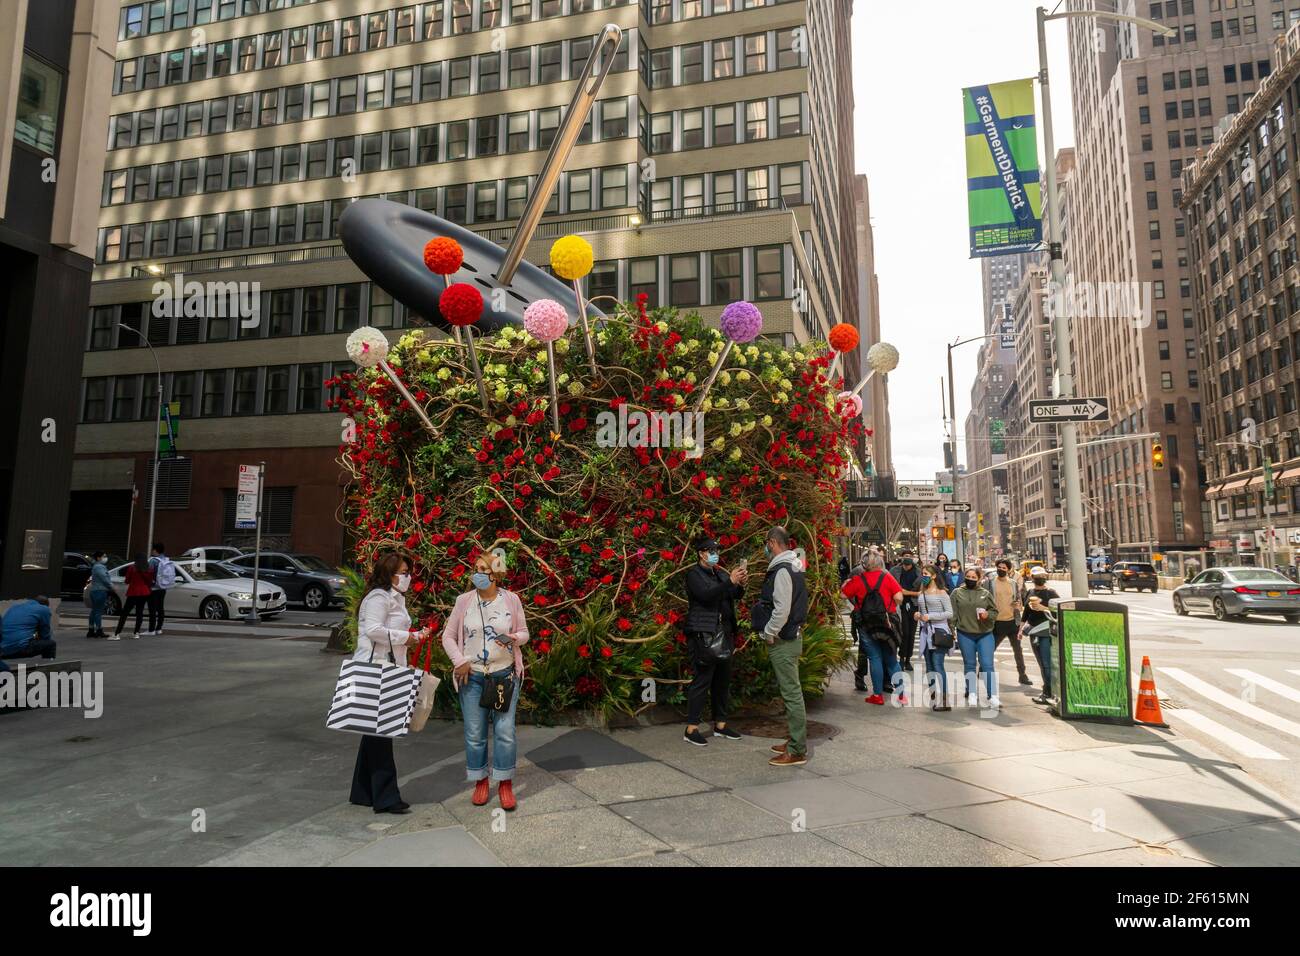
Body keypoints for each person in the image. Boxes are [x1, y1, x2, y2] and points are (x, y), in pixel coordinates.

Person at [442, 550, 530, 810]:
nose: (477, 574)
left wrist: (514, 639)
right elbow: (447, 636)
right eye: (476, 568)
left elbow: (524, 632)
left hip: (504, 674)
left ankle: (504, 783)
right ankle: (480, 781)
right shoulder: (463, 601)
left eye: (483, 569)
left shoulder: (511, 600)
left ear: (496, 574)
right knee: (474, 734)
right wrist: (460, 660)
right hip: (473, 676)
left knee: (505, 733)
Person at [351, 550, 428, 815]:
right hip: (378, 670)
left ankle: (363, 792)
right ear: (389, 573)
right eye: (404, 573)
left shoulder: (394, 598)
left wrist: (415, 636)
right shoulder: (379, 598)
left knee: (373, 732)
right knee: (382, 732)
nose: (408, 577)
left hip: (386, 669)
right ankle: (386, 797)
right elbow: (373, 631)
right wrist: (406, 637)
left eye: (408, 573)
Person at [683, 534, 746, 746]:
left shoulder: (718, 574)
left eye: (716, 551)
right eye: (711, 551)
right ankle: (691, 728)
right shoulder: (694, 575)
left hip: (724, 635)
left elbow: (734, 595)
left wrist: (739, 584)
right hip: (704, 635)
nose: (715, 555)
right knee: (702, 679)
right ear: (701, 554)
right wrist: (729, 582)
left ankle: (720, 724)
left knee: (722, 680)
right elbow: (706, 595)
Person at [756, 526, 810, 767]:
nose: (765, 549)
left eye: (766, 544)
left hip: (783, 640)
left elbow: (781, 609)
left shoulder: (782, 571)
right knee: (791, 691)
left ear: (772, 543)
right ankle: (793, 741)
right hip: (791, 636)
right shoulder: (794, 566)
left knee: (791, 693)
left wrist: (769, 633)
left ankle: (797, 749)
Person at [843, 551, 906, 706]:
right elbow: (899, 597)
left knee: (875, 658)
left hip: (865, 624)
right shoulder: (887, 577)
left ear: (863, 564)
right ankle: (901, 695)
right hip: (886, 623)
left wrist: (846, 584)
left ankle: (877, 695)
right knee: (891, 659)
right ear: (880, 563)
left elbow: (843, 596)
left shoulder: (858, 579)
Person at [951, 565, 1000, 709]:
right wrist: (951, 630)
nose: (970, 579)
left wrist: (987, 615)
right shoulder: (956, 593)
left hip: (985, 634)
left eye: (974, 577)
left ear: (979, 579)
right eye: (968, 577)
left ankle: (993, 696)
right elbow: (953, 614)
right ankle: (972, 692)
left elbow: (994, 612)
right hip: (965, 633)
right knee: (970, 664)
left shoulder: (985, 593)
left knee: (987, 665)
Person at [983, 559, 1031, 686]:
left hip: (1012, 622)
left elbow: (1019, 601)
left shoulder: (1013, 583)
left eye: (1004, 568)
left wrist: (1017, 605)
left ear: (1008, 569)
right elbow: (984, 600)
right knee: (989, 649)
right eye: (999, 567)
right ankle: (983, 670)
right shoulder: (989, 583)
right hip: (996, 622)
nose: (1001, 569)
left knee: (1018, 650)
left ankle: (1022, 675)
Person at [914, 567, 954, 711]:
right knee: (929, 666)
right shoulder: (922, 592)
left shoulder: (942, 593)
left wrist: (930, 617)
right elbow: (922, 610)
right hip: (925, 632)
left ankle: (945, 700)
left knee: (937, 665)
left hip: (939, 632)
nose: (923, 576)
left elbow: (949, 613)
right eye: (922, 573)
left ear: (934, 576)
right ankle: (933, 694)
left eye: (926, 574)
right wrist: (918, 615)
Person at [1023, 567, 1059, 705]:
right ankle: (1047, 690)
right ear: (1032, 577)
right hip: (1033, 631)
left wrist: (1043, 608)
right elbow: (1026, 612)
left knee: (1046, 663)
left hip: (1046, 631)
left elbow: (1059, 610)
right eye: (1037, 576)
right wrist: (1021, 628)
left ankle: (1049, 691)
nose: (1040, 578)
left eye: (1042, 575)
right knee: (1041, 662)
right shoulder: (1030, 592)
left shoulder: (1051, 593)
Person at [890, 554, 922, 672]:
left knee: (911, 633)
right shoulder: (894, 571)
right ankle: (901, 658)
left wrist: (912, 594)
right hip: (899, 604)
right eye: (904, 563)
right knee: (904, 632)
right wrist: (913, 593)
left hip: (914, 605)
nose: (906, 566)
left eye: (908, 564)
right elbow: (897, 589)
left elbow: (923, 588)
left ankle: (908, 659)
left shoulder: (919, 572)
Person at [112, 554, 154, 640]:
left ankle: (117, 633)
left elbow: (127, 581)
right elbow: (150, 581)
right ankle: (136, 633)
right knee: (139, 613)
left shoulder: (132, 568)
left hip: (133, 592)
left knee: (125, 613)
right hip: (144, 592)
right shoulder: (149, 568)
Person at [145, 542, 175, 636]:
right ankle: (159, 629)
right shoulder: (166, 559)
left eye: (152, 550)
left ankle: (151, 630)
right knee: (160, 608)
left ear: (155, 550)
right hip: (163, 587)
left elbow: (148, 574)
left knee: (152, 609)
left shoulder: (153, 561)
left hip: (153, 588)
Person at [87, 552, 112, 639]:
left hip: (95, 591)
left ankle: (91, 630)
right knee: (98, 612)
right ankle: (99, 631)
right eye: (104, 556)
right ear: (98, 558)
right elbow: (104, 578)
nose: (105, 558)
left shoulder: (96, 566)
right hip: (100, 591)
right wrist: (111, 586)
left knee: (94, 611)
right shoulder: (99, 567)